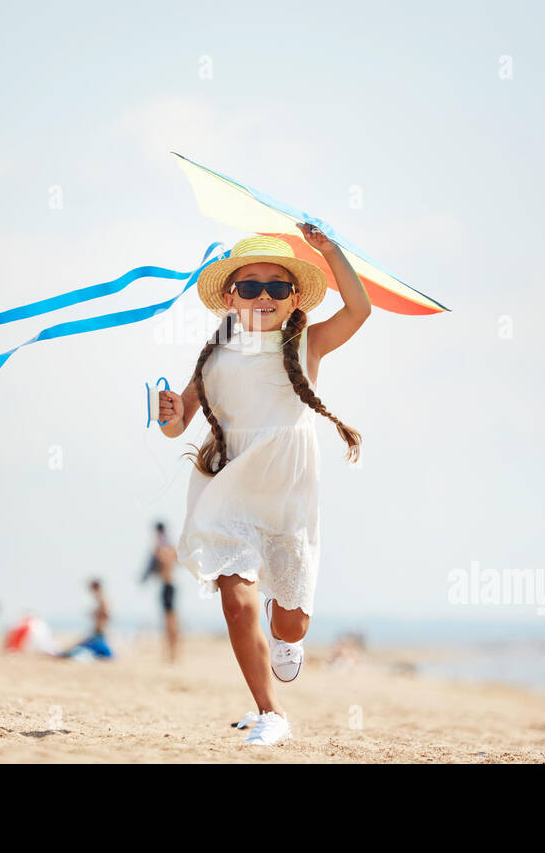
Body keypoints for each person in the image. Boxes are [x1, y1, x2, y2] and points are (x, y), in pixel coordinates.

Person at [158, 226, 370, 746]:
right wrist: (169, 412)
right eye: (249, 288)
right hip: (230, 490)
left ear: (294, 298)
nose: (263, 298)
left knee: (293, 627)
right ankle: (270, 712)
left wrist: (329, 252)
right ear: (229, 297)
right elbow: (178, 423)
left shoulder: (306, 343)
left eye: (277, 288)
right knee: (236, 600)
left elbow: (359, 311)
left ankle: (283, 627)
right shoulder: (214, 357)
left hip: (289, 499)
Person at [141, 521, 180, 661]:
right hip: (169, 585)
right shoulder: (170, 547)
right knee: (170, 620)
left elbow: (160, 563)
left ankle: (171, 653)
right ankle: (171, 653)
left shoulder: (162, 548)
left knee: (170, 621)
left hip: (168, 585)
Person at [60, 579, 113, 659]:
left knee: (84, 646)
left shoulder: (102, 599)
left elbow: (107, 614)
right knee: (83, 644)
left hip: (99, 631)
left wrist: (95, 614)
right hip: (98, 631)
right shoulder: (101, 599)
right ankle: (66, 654)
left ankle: (66, 654)